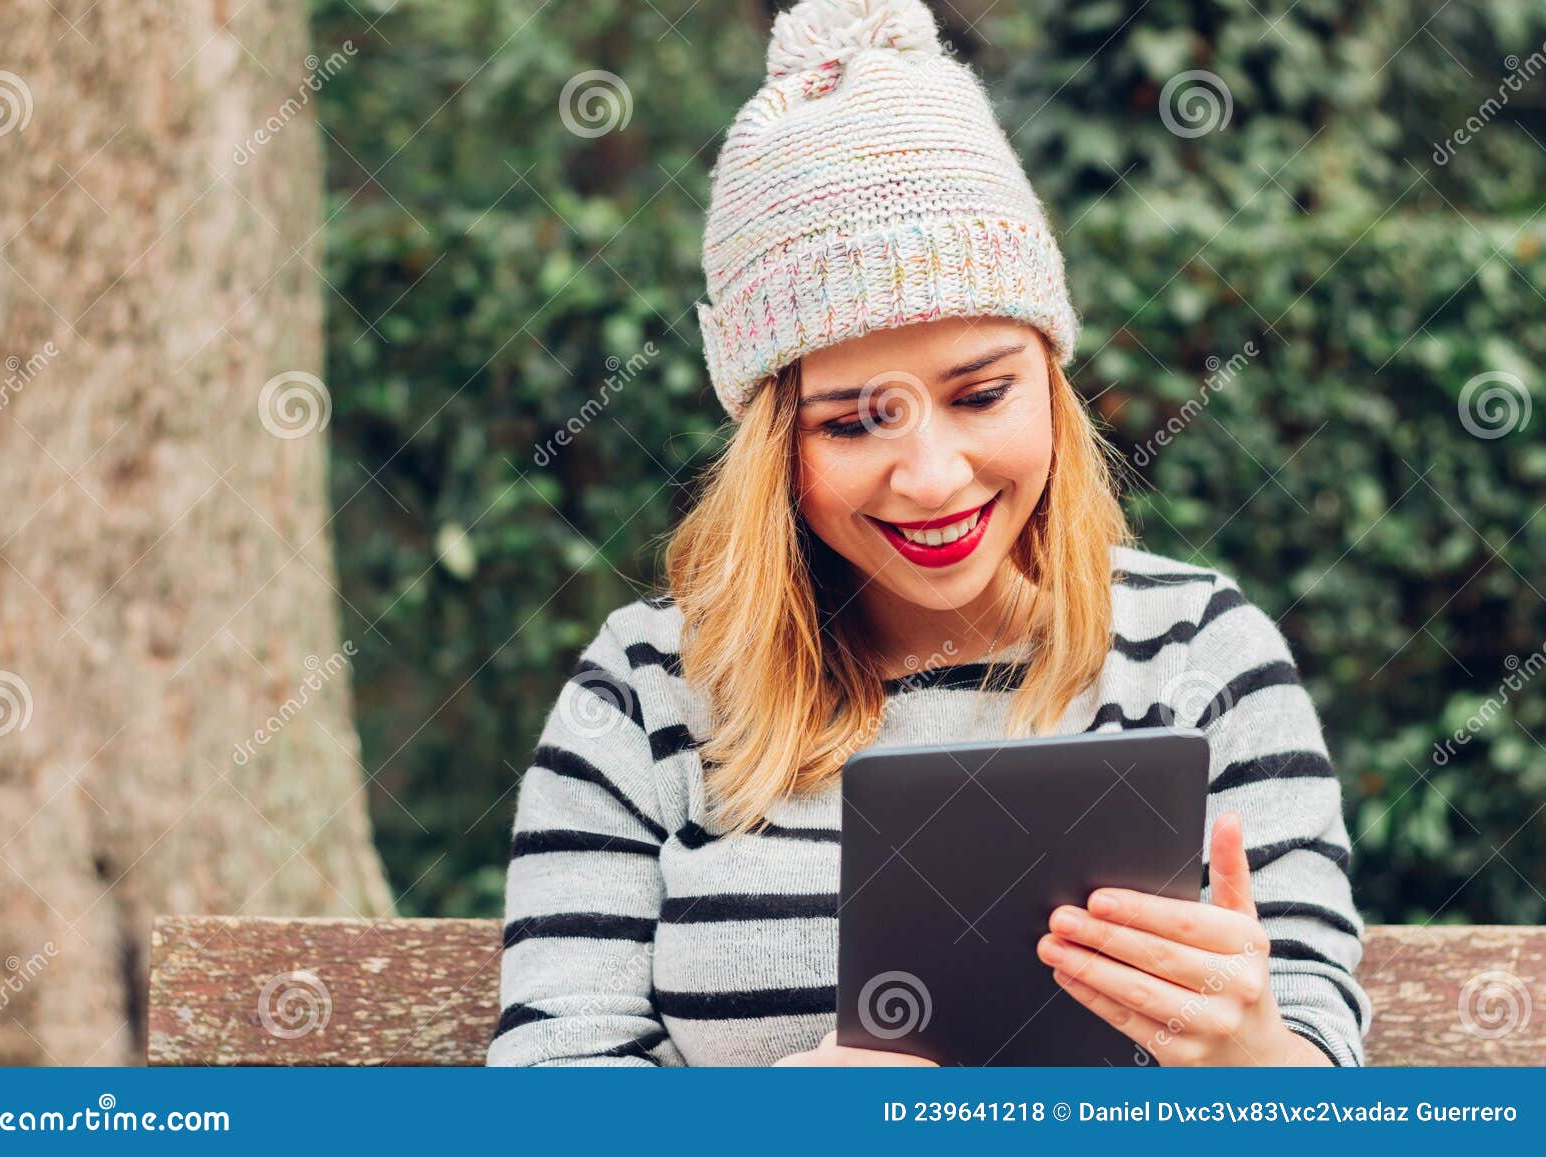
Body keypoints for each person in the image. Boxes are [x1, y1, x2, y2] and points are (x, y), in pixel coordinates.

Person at [486, 0, 1370, 1068]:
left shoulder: (1201, 652)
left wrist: (1255, 1055)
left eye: (982, 392)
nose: (935, 476)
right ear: (777, 442)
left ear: (1048, 382)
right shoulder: (643, 689)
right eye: (856, 418)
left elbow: (1320, 1074)